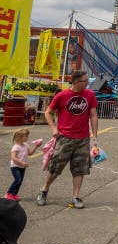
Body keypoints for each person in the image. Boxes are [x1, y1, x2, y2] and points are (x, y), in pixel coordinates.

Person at [37, 69, 99, 209]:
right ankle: (44, 189)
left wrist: (94, 135)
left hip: (83, 138)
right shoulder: (62, 95)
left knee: (80, 169)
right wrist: (53, 128)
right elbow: (48, 112)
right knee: (56, 167)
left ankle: (75, 197)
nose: (87, 83)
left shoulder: (89, 95)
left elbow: (93, 115)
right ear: (77, 82)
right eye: (85, 81)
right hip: (65, 138)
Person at [6, 129, 42, 200]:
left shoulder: (25, 145)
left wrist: (36, 146)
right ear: (20, 137)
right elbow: (13, 157)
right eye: (26, 136)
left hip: (22, 167)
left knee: (20, 181)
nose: (27, 137)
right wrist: (21, 162)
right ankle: (8, 193)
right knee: (18, 180)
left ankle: (14, 194)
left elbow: (30, 153)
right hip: (15, 166)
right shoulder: (16, 147)